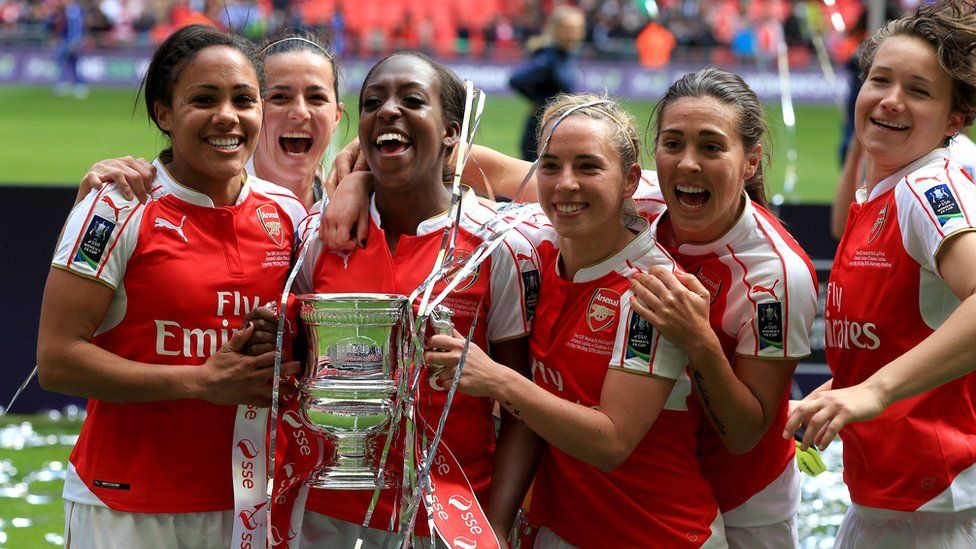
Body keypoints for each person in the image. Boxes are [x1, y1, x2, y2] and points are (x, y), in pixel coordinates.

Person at [36, 24, 304, 548]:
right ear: (164, 113)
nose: (227, 116)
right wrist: (200, 381)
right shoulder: (113, 208)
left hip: (247, 505)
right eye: (204, 99)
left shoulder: (289, 214)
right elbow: (56, 359)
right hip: (125, 506)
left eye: (243, 100)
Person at [427, 93, 727, 548]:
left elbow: (611, 443)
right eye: (550, 166)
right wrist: (358, 180)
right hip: (561, 530)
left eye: (588, 167)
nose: (565, 184)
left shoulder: (654, 291)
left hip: (657, 534)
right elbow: (434, 169)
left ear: (629, 180)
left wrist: (496, 379)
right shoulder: (534, 244)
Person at [287, 51, 541, 546]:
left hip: (451, 516)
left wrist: (496, 524)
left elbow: (519, 407)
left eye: (412, 100)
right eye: (372, 101)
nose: (387, 110)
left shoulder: (498, 245)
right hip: (326, 513)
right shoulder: (321, 233)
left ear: (450, 132)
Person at [784, 1, 976, 545]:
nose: (891, 99)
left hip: (938, 512)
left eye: (918, 90)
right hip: (894, 504)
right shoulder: (885, 190)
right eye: (880, 79)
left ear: (954, 119)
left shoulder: (927, 190)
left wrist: (873, 392)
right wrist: (838, 395)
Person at [629, 69, 818, 548]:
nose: (687, 164)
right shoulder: (638, 201)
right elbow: (520, 177)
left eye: (711, 147)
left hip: (744, 510)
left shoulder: (776, 276)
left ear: (751, 162)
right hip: (651, 492)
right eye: (673, 144)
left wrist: (698, 339)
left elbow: (744, 433)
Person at [80, 29, 344, 210]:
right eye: (279, 97)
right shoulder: (146, 196)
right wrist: (87, 207)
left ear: (337, 116)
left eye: (317, 98)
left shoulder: (356, 204)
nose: (299, 112)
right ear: (258, 109)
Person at [509, 5, 585, 160]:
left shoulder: (568, 55)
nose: (574, 34)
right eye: (569, 29)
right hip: (540, 132)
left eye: (578, 29)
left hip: (560, 129)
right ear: (557, 30)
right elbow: (516, 80)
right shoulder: (548, 58)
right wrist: (539, 101)